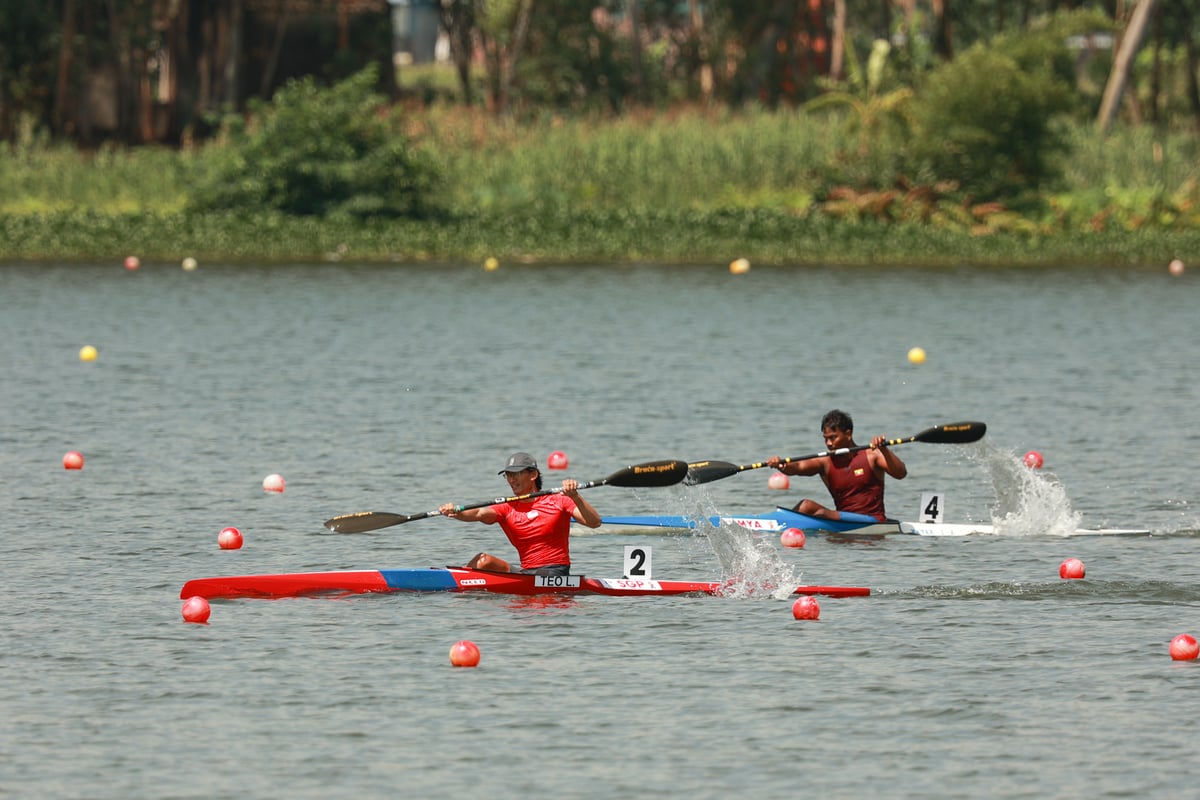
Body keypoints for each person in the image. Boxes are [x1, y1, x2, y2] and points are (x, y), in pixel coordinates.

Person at [438, 452, 602, 576]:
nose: (511, 480)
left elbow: (594, 522)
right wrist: (456, 511)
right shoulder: (507, 507)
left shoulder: (558, 500)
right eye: (508, 475)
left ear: (533, 475)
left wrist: (575, 496)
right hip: (527, 573)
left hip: (554, 572)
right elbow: (479, 513)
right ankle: (456, 583)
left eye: (516, 474)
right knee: (483, 561)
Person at [765, 409, 907, 522]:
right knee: (806, 505)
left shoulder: (872, 455)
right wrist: (782, 465)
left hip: (873, 520)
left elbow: (901, 473)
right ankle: (777, 524)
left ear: (848, 434)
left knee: (822, 514)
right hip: (841, 519)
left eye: (833, 437)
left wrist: (884, 450)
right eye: (826, 439)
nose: (829, 444)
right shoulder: (826, 461)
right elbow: (800, 467)